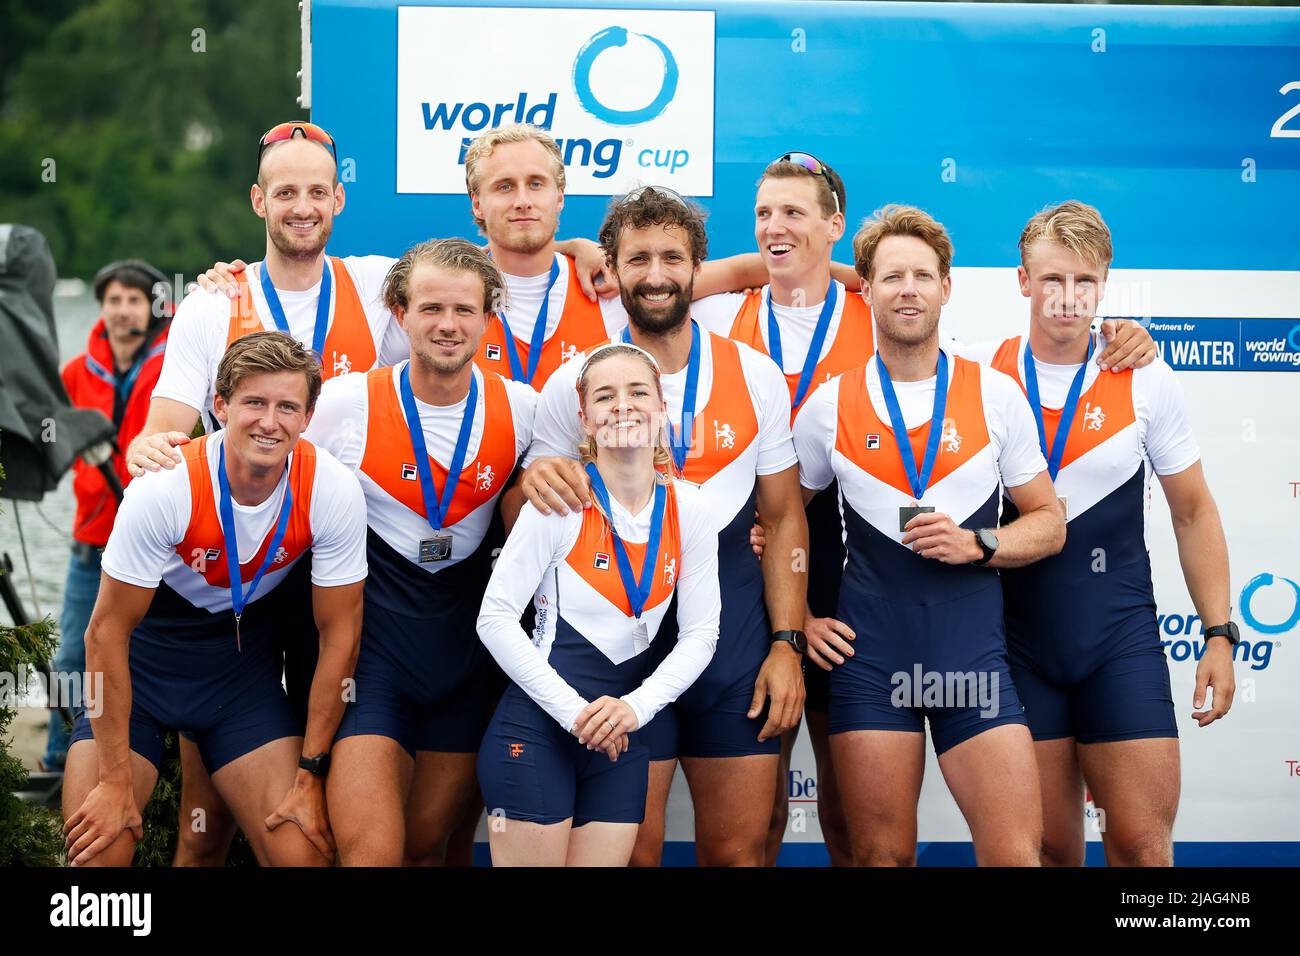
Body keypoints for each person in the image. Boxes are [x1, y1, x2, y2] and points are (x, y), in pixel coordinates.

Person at [513, 186, 809, 866]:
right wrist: (536, 486)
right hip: (619, 650)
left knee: (738, 854)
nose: (654, 275)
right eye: (637, 258)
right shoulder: (575, 381)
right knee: (632, 855)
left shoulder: (755, 375)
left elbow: (785, 516)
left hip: (732, 648)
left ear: (696, 265)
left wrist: (787, 643)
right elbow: (531, 510)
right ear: (610, 270)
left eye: (671, 257)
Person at [792, 204, 1066, 866]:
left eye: (921, 275)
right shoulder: (828, 405)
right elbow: (779, 519)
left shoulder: (995, 394)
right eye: (891, 277)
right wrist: (799, 617)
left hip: (969, 659)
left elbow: (1050, 523)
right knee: (880, 857)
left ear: (947, 287)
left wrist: (981, 545)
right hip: (871, 662)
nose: (907, 289)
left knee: (1014, 855)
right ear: (866, 290)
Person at [976, 201, 1234, 866]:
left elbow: (1194, 511)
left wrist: (1219, 634)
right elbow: (879, 274)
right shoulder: (977, 377)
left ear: (1104, 283)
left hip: (1118, 641)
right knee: (1050, 850)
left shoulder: (1146, 376)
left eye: (1084, 282)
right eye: (1053, 279)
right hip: (1014, 647)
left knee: (1143, 849)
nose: (1068, 299)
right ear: (1022, 280)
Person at [62, 332, 367, 866]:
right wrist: (114, 781)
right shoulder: (166, 485)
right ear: (220, 406)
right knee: (99, 852)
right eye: (254, 403)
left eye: (287, 407)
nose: (270, 422)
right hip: (144, 666)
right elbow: (104, 634)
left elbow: (339, 635)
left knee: (302, 855)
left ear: (308, 415)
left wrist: (310, 773)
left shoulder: (332, 489)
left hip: (237, 677)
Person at [303, 239, 537, 865]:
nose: (448, 325)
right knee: (372, 855)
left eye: (465, 310)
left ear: (490, 317)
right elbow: (270, 486)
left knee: (429, 849)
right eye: (430, 308)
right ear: (399, 314)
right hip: (371, 662)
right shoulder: (345, 402)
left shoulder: (524, 408)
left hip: (466, 660)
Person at [476, 343, 720, 865]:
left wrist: (635, 708)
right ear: (584, 418)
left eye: (637, 392)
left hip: (621, 737)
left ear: (661, 409)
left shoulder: (694, 508)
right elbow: (493, 619)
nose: (623, 405)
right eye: (605, 396)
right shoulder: (558, 504)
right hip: (539, 728)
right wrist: (575, 714)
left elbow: (702, 634)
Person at [44, 260, 171, 772]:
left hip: (155, 544)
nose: (122, 312)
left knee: (146, 655)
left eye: (134, 300)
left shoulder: (172, 365)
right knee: (73, 657)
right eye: (114, 301)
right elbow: (46, 430)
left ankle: (147, 764)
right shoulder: (77, 370)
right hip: (91, 538)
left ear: (153, 306)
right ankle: (59, 760)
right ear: (102, 308)